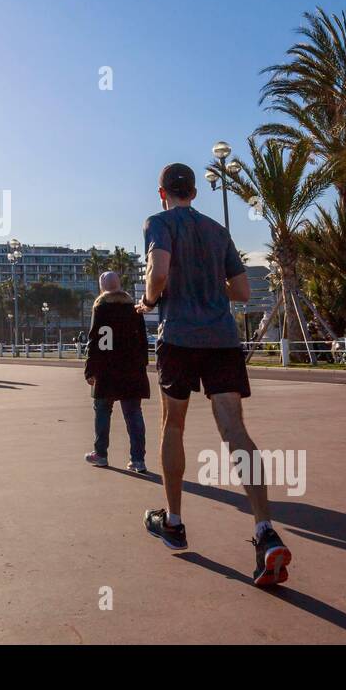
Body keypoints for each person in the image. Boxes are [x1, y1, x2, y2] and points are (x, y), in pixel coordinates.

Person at [136, 162, 292, 588]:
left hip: (181, 337)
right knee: (235, 431)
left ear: (162, 192)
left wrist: (150, 300)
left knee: (173, 426)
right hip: (222, 339)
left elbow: (160, 271)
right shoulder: (217, 231)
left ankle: (174, 521)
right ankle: (265, 531)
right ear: (195, 194)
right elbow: (241, 291)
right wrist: (209, 284)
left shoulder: (158, 222)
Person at [84, 271, 149, 472]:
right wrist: (142, 365)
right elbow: (143, 341)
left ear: (102, 287)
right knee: (133, 413)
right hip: (131, 369)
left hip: (106, 369)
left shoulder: (100, 307)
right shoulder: (133, 308)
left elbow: (94, 340)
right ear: (119, 285)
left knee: (102, 411)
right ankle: (138, 460)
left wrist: (90, 370)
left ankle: (101, 454)